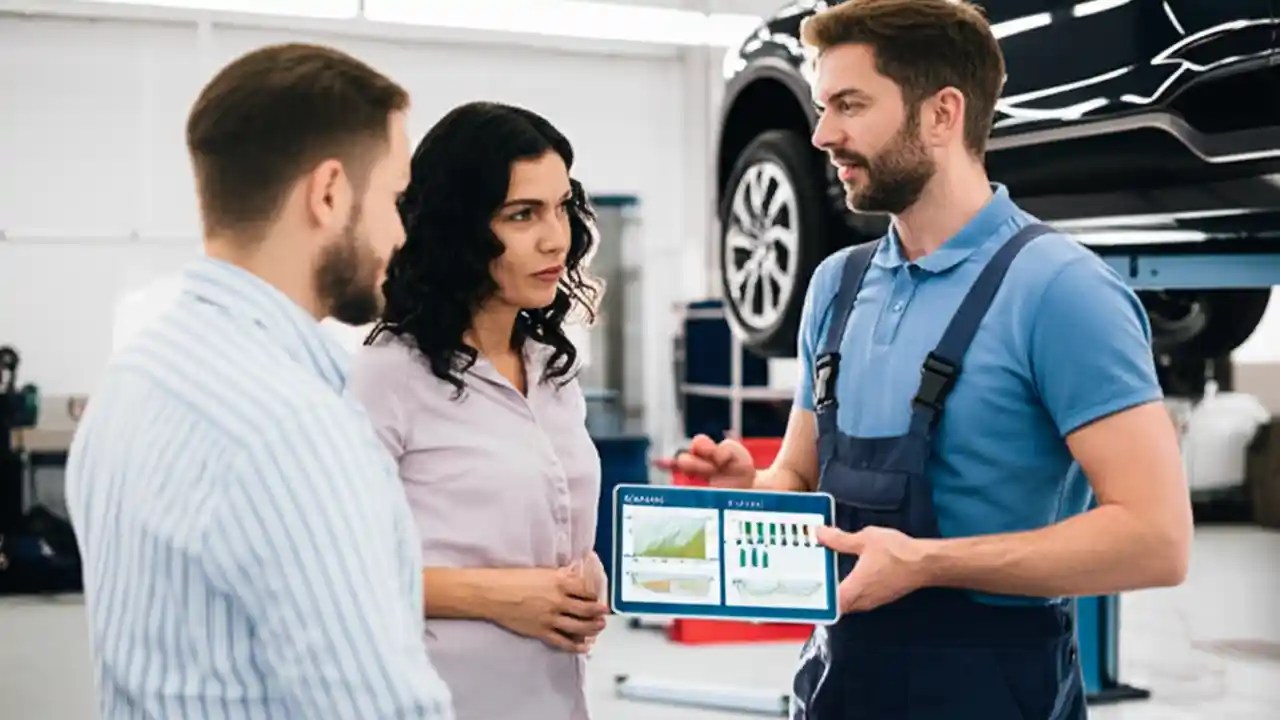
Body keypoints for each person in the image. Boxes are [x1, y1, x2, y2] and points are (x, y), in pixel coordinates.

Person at [672, 2, 1194, 718]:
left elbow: (1156, 540)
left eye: (850, 105)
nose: (823, 134)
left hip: (995, 688)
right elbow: (798, 476)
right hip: (839, 680)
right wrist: (748, 493)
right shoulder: (837, 286)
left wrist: (928, 565)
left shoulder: (1061, 291)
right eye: (824, 107)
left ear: (942, 113)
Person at [64, 43, 454, 719]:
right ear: (329, 192)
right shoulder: (294, 430)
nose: (401, 233)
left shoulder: (133, 379)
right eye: (396, 199)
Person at [348, 101, 609, 720]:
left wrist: (582, 580)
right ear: (457, 228)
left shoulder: (551, 368)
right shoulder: (386, 374)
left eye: (561, 207)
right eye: (522, 215)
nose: (556, 237)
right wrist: (498, 597)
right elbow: (324, 576)